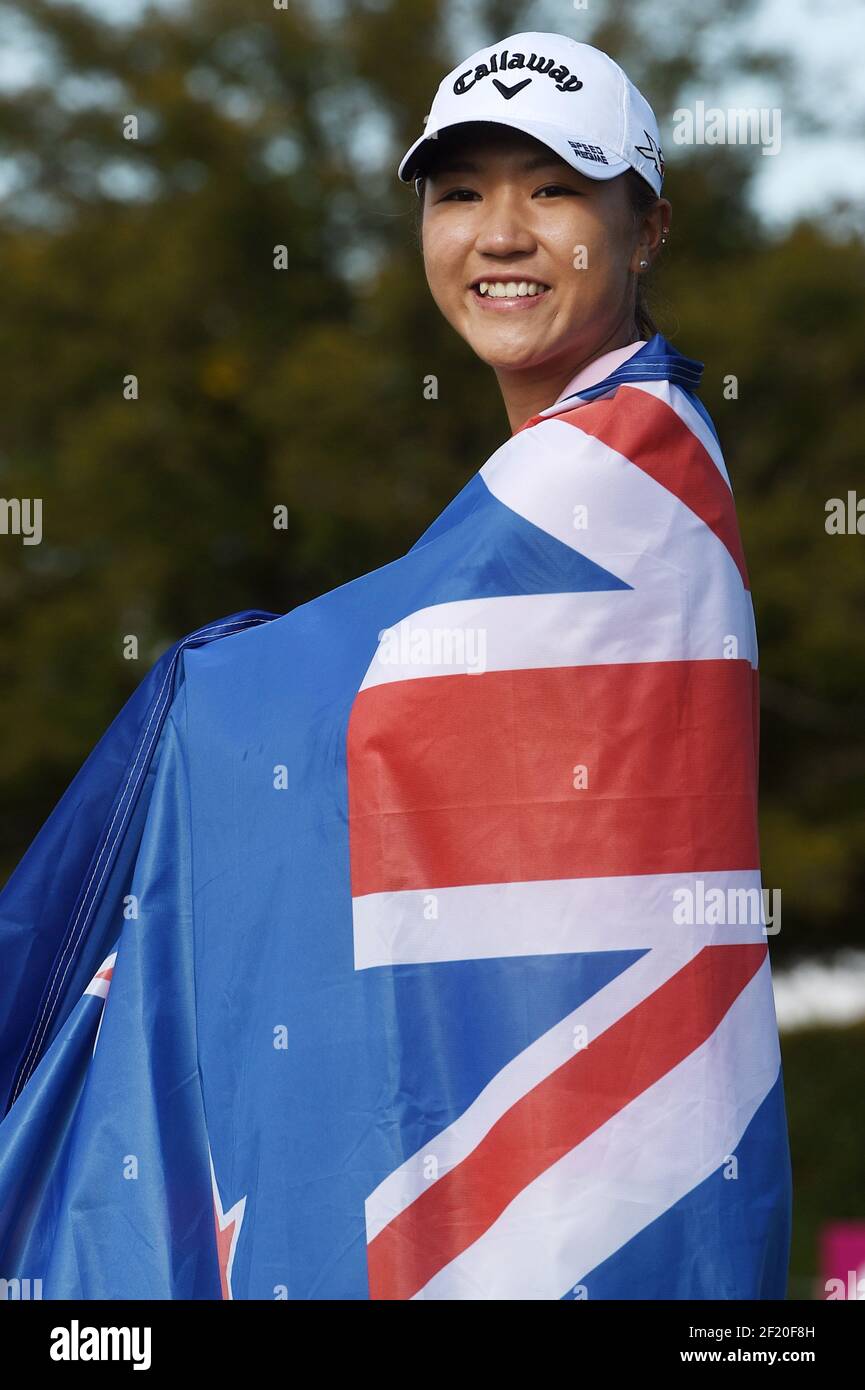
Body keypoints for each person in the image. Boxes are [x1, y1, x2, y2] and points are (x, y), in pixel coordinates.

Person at [0, 32, 791, 1300]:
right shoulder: (558, 471)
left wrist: (204, 687)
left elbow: (369, 683)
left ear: (646, 232)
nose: (500, 233)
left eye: (554, 188)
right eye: (460, 191)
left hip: (601, 1185)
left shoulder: (632, 460)